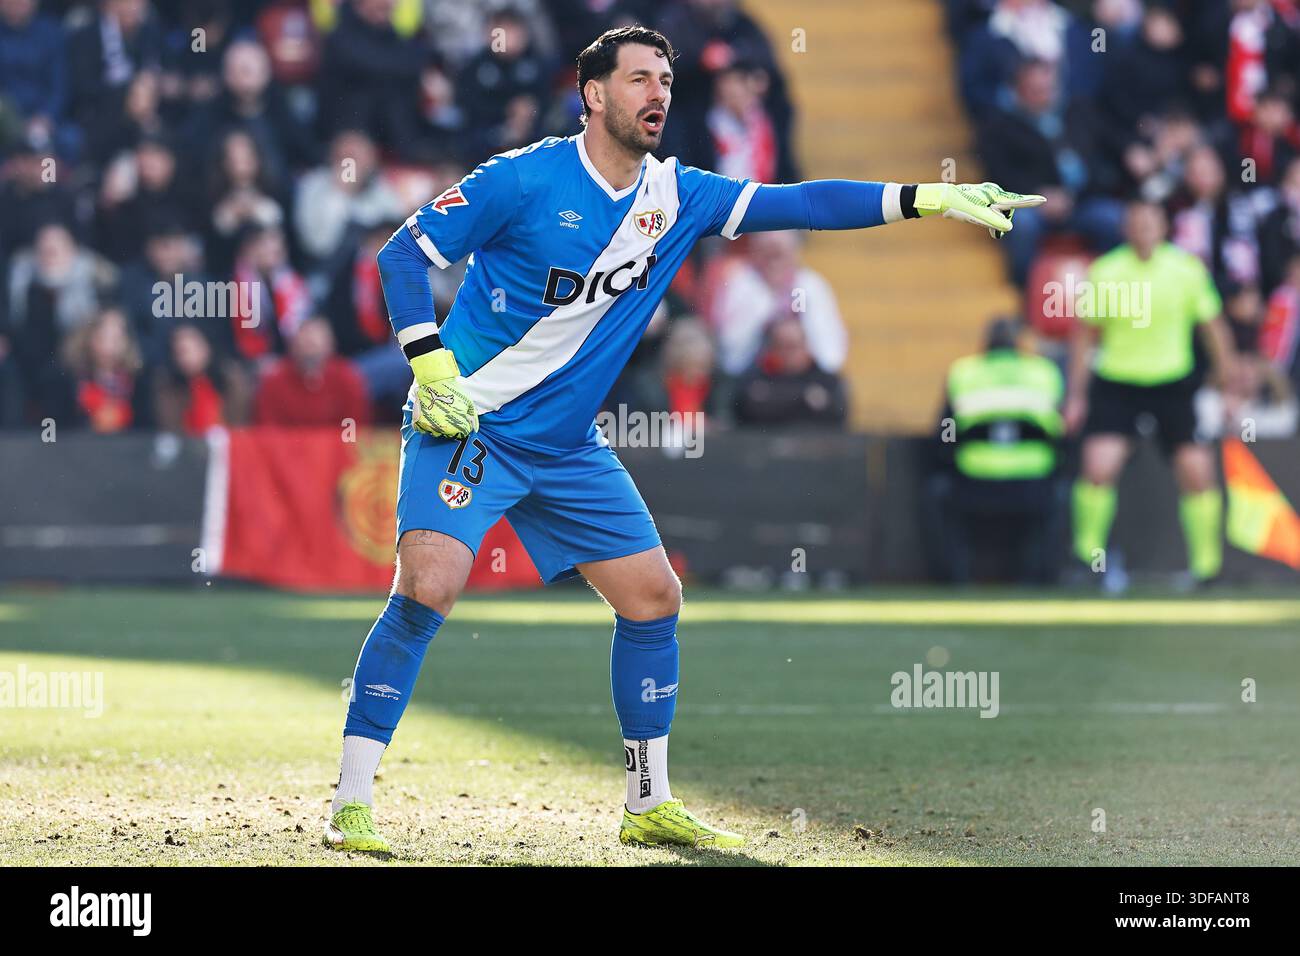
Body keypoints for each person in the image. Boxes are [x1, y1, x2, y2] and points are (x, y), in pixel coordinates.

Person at [324, 25, 1045, 856]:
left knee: (654, 597)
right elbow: (403, 254)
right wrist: (429, 359)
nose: (657, 93)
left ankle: (647, 801)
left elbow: (802, 201)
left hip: (564, 446)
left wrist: (927, 197)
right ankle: (352, 801)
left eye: (664, 80)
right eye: (638, 79)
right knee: (428, 589)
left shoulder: (681, 196)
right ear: (594, 94)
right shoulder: (521, 179)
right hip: (470, 421)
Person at [1066, 201, 1242, 586]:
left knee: (1197, 474)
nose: (1143, 229)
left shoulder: (1187, 269)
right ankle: (1087, 561)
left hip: (1172, 384)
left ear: (1164, 227)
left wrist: (1228, 386)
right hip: (1117, 383)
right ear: (1125, 229)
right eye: (1136, 223)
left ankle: (1206, 569)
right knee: (1097, 469)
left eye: (1151, 222)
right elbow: (1085, 336)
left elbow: (1214, 329)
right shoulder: (1105, 271)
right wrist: (1076, 395)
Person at [926, 318, 1064, 585]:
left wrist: (948, 457)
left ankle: (955, 578)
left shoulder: (964, 372)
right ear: (1019, 343)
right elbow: (1060, 431)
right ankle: (1037, 578)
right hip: (1033, 481)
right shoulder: (1044, 372)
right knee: (1061, 493)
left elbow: (945, 431)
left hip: (974, 480)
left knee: (936, 490)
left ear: (985, 343)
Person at [252, 317, 371, 428]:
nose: (309, 350)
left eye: (314, 344)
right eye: (304, 343)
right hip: (287, 449)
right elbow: (267, 432)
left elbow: (356, 429)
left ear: (330, 346)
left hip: (335, 449)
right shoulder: (274, 381)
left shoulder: (347, 379)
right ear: (293, 347)